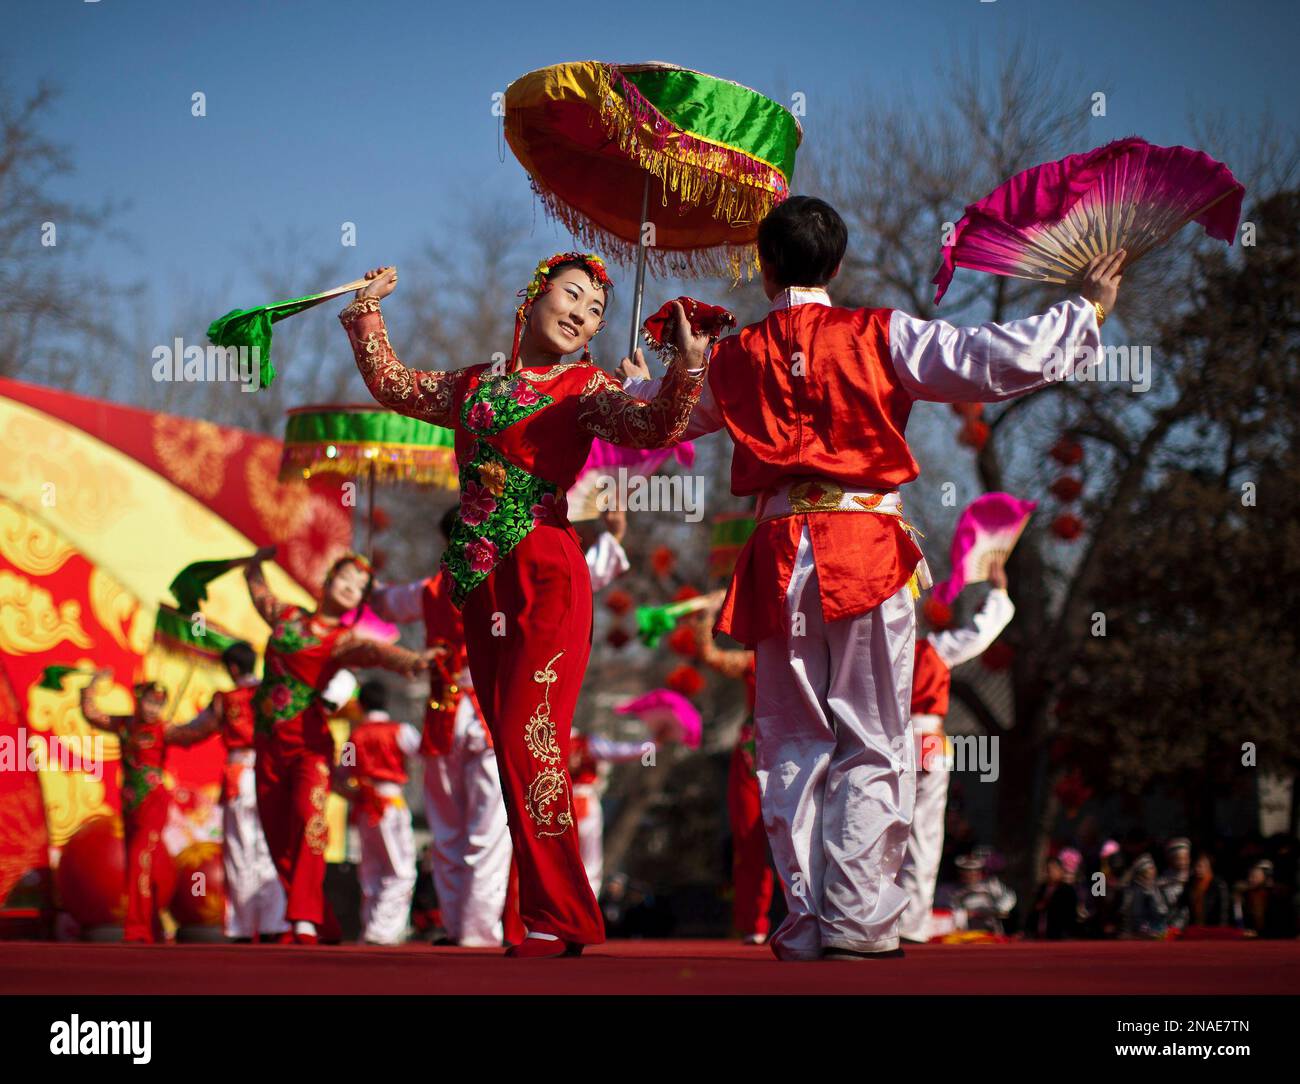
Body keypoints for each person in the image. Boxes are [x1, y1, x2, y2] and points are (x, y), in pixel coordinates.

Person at [622, 196, 1124, 959]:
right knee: (873, 735)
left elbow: (659, 423)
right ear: (839, 265)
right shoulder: (880, 333)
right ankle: (857, 919)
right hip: (864, 546)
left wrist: (647, 382)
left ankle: (804, 923)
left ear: (764, 268)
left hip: (780, 548)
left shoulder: (732, 358)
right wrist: (1081, 309)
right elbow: (989, 359)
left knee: (789, 737)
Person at [339, 254, 706, 957]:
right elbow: (394, 385)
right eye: (571, 295)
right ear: (532, 296)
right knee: (511, 748)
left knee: (524, 733)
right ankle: (535, 915)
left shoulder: (587, 387)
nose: (582, 313)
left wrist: (684, 372)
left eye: (596, 309)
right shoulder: (475, 384)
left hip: (548, 575)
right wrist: (367, 311)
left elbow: (655, 427)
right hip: (480, 582)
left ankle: (565, 915)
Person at [244, 547, 431, 945]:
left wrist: (412, 661)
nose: (352, 588)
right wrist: (254, 565)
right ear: (328, 580)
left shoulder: (341, 640)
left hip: (310, 748)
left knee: (308, 823)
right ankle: (318, 919)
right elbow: (259, 592)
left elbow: (376, 652)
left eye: (361, 587)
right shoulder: (287, 616)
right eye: (347, 579)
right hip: (268, 744)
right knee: (276, 834)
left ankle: (304, 922)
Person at [897, 558, 1014, 944]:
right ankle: (911, 920)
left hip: (883, 744)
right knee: (924, 835)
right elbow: (981, 634)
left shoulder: (875, 653)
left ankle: (872, 918)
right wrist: (997, 592)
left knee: (878, 832)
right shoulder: (934, 649)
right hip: (927, 741)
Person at [79, 672, 214, 943]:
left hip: (153, 802)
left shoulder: (165, 730)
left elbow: (196, 733)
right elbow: (92, 714)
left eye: (159, 704)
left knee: (140, 860)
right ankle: (152, 926)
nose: (154, 709)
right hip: (130, 802)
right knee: (139, 864)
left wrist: (215, 714)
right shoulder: (124, 724)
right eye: (150, 703)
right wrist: (90, 689)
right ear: (138, 701)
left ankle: (137, 927)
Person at [169, 641, 288, 942]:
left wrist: (161, 731)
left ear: (233, 668)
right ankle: (274, 924)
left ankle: (243, 927)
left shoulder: (226, 699)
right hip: (270, 774)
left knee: (240, 852)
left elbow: (195, 731)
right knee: (269, 849)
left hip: (240, 775)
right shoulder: (274, 694)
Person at [689, 602, 773, 945]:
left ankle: (808, 915)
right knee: (749, 836)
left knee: (800, 836)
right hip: (754, 751)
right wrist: (706, 615)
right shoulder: (755, 660)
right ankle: (753, 922)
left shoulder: (810, 657)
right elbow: (708, 654)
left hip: (797, 747)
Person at [341, 680, 422, 945]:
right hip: (390, 803)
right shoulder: (400, 730)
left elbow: (342, 773)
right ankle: (382, 930)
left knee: (371, 869)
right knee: (402, 870)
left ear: (361, 704)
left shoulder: (354, 737)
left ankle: (370, 927)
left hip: (365, 806)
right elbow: (423, 753)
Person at [945, 852, 1017, 935]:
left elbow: (1009, 897)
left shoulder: (991, 885)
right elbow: (948, 910)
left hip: (990, 929)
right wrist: (965, 914)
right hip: (966, 931)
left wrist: (998, 909)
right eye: (966, 871)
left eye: (974, 871)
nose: (970, 875)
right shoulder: (951, 890)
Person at [1025, 855, 1080, 940]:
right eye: (1048, 869)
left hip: (1059, 935)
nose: (1050, 872)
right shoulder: (1042, 888)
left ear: (1061, 871)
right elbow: (1034, 910)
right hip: (1040, 935)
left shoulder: (1067, 890)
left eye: (1053, 869)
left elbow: (1069, 913)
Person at [1176, 851, 1231, 929]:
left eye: (1201, 866)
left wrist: (1221, 929)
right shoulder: (1190, 883)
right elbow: (1181, 904)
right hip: (1194, 926)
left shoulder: (1218, 885)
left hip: (1213, 927)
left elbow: (1223, 911)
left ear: (1209, 867)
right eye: (1196, 866)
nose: (1198, 869)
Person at [1120, 854, 1169, 938]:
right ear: (1141, 873)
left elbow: (1163, 911)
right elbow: (1131, 913)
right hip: (1137, 931)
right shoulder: (1133, 891)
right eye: (1149, 869)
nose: (1152, 871)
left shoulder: (1159, 887)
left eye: (1153, 868)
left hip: (1158, 929)